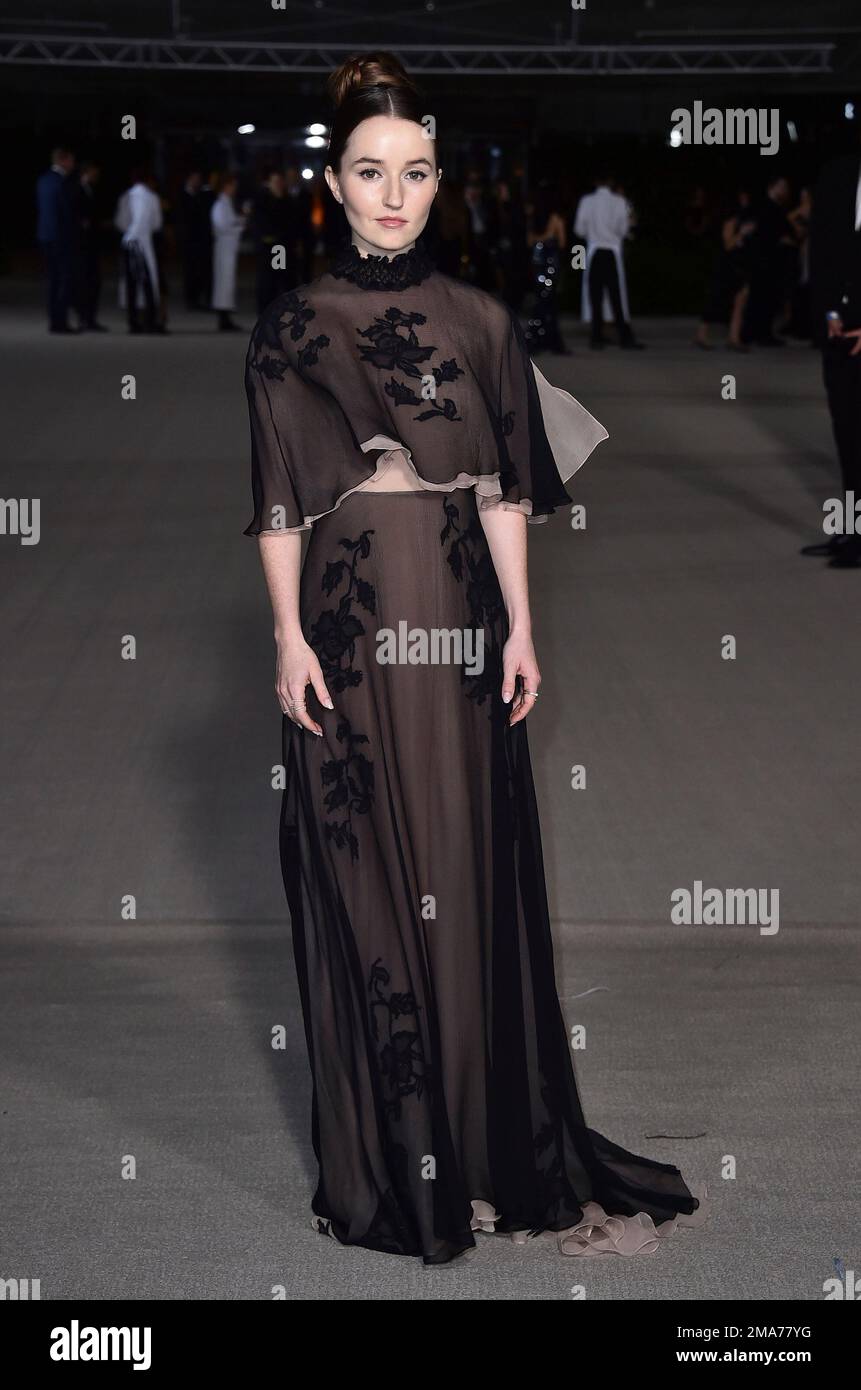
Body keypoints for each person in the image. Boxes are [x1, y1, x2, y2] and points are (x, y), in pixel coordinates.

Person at [242, 48, 708, 1265]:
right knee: (370, 893)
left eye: (418, 172)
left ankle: (494, 1145)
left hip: (456, 635)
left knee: (465, 877)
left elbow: (504, 491)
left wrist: (527, 623)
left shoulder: (486, 322)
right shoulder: (292, 328)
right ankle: (401, 1161)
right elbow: (283, 502)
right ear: (333, 185)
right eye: (370, 172)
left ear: (439, 181)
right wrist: (287, 637)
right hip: (345, 636)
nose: (394, 194)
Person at [802, 149, 861, 568]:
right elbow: (821, 251)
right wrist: (829, 314)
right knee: (848, 436)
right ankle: (851, 534)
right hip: (840, 333)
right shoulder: (837, 172)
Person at [574, 173, 644, 349]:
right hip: (612, 252)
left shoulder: (587, 201)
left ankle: (596, 336)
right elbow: (623, 229)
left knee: (595, 296)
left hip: (595, 251)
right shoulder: (619, 201)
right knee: (616, 296)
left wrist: (594, 233)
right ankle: (624, 337)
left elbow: (579, 230)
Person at [693, 190, 756, 352]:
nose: (746, 200)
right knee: (716, 299)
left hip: (740, 264)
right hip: (727, 265)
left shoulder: (745, 218)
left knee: (740, 300)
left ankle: (734, 338)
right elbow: (728, 244)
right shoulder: (731, 219)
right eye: (743, 197)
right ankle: (701, 335)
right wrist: (741, 233)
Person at [742, 174, 794, 346]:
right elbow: (763, 233)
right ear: (773, 187)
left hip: (768, 260)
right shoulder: (766, 207)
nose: (786, 191)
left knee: (764, 298)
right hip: (764, 261)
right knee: (762, 297)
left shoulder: (775, 207)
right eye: (783, 186)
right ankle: (758, 334)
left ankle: (757, 333)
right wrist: (780, 239)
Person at [35, 146, 78, 333]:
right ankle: (60, 322)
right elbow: (66, 213)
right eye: (71, 160)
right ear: (63, 160)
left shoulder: (43, 181)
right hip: (61, 237)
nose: (73, 164)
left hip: (45, 235)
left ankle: (54, 319)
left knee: (53, 280)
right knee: (63, 280)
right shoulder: (63, 182)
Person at [523, 183, 568, 354]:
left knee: (541, 301)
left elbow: (529, 242)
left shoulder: (534, 218)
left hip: (538, 264)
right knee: (549, 302)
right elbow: (562, 242)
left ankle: (538, 338)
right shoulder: (556, 219)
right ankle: (551, 340)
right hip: (550, 264)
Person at [115, 169, 162, 334]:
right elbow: (156, 223)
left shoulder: (126, 196)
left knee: (131, 284)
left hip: (128, 241)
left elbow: (121, 221)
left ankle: (133, 321)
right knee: (148, 282)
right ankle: (150, 321)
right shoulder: (151, 197)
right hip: (143, 243)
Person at [252, 167, 294, 314]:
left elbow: (290, 223)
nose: (278, 184)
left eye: (280, 181)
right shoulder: (263, 199)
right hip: (268, 247)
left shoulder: (286, 199)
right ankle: (265, 310)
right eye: (275, 182)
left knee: (280, 277)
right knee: (266, 279)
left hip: (280, 248)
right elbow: (262, 224)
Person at [73, 160, 107, 331]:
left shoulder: (93, 190)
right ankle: (83, 317)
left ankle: (90, 317)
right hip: (82, 245)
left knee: (94, 282)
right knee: (84, 282)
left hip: (92, 244)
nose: (96, 175)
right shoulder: (77, 190)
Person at [211, 174, 247, 331]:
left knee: (227, 281)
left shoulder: (225, 204)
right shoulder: (220, 204)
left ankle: (225, 316)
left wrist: (239, 221)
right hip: (224, 248)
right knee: (224, 282)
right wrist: (239, 227)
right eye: (232, 185)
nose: (235, 189)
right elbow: (222, 226)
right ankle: (223, 317)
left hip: (228, 247)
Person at [177, 171, 213, 311]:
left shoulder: (204, 195)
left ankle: (201, 298)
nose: (197, 182)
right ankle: (191, 299)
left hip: (202, 240)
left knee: (203, 271)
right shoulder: (182, 196)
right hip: (189, 240)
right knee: (190, 271)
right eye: (194, 179)